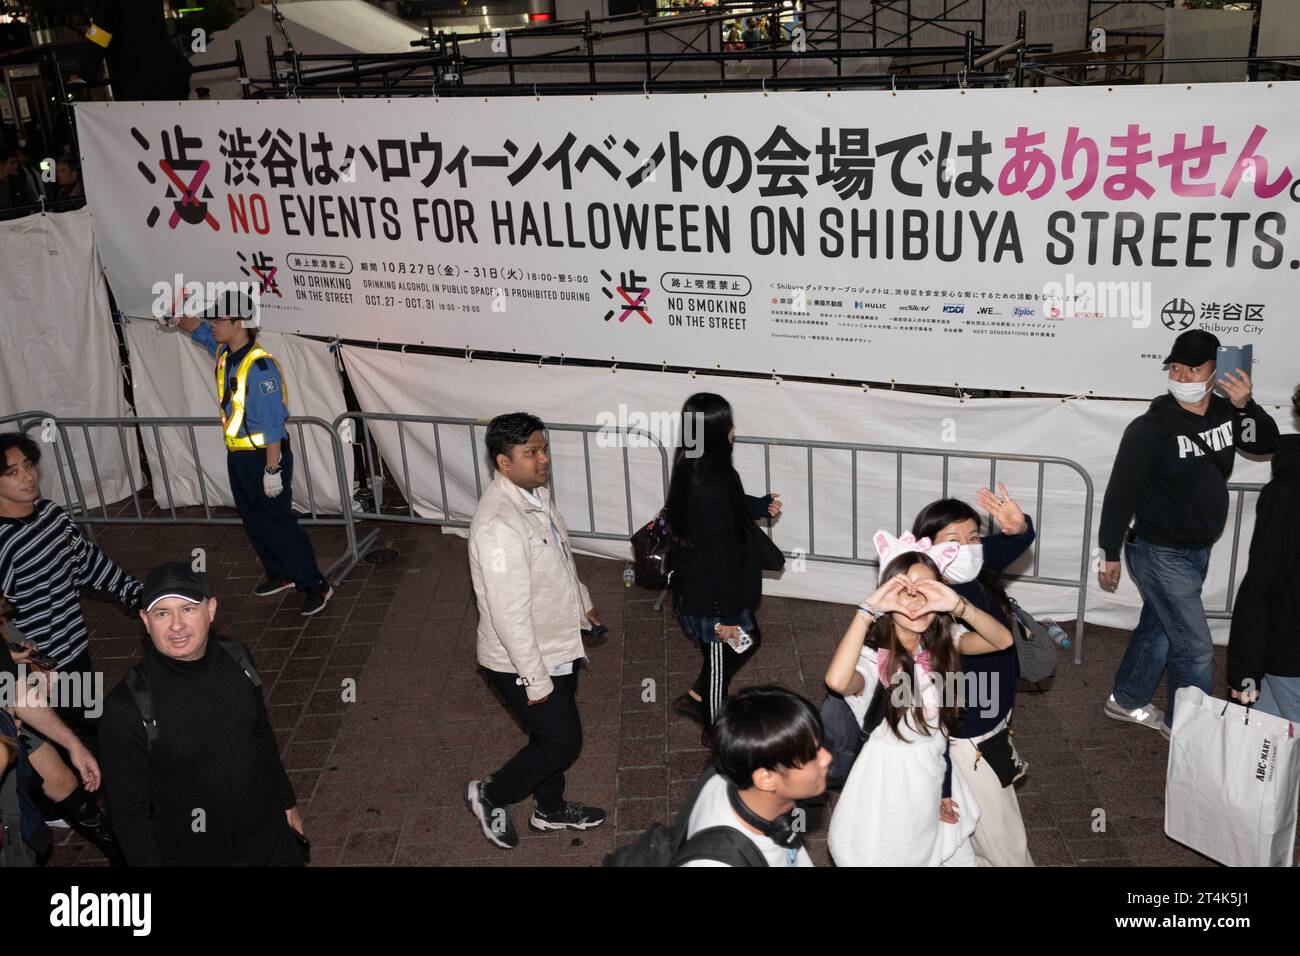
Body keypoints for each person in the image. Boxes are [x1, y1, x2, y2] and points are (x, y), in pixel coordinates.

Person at [1099, 329, 1279, 734]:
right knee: (1195, 647)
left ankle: (1126, 700)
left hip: (1197, 548)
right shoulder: (1149, 428)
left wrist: (1246, 405)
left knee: (1160, 630)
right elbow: (1121, 492)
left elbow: (1265, 444)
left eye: (1193, 369)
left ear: (1216, 371)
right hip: (1157, 550)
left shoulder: (1226, 412)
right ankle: (1188, 731)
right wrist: (1108, 551)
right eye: (1176, 368)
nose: (1182, 377)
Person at [99, 562, 305, 866]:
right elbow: (130, 818)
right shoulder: (125, 708)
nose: (176, 625)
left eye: (188, 609)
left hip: (273, 843)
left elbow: (261, 733)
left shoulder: (237, 657)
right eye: (162, 613)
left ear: (211, 610)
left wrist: (287, 802)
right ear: (146, 621)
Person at [826, 532, 1013, 866]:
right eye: (903, 591)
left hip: (934, 772)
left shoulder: (943, 642)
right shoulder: (873, 659)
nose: (915, 601)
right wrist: (867, 610)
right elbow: (837, 681)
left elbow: (1001, 641)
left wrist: (958, 605)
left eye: (926, 590)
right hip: (889, 788)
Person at [465, 412, 607, 849]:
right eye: (530, 452)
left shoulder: (535, 496)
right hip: (521, 659)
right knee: (563, 742)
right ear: (503, 462)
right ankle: (491, 794)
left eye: (543, 448)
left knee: (548, 736)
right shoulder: (498, 525)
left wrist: (583, 604)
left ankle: (550, 809)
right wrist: (534, 677)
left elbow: (561, 559)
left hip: (557, 642)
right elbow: (507, 612)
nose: (543, 459)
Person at [175, 296, 333, 616]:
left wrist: (272, 471)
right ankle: (281, 573)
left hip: (265, 457)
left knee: (279, 523)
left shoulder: (261, 368)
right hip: (239, 456)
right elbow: (197, 329)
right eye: (214, 319)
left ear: (240, 324)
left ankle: (315, 584)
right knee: (253, 519)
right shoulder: (225, 352)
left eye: (220, 320)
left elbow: (273, 425)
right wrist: (174, 316)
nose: (213, 325)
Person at [911, 488, 1036, 867]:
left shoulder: (969, 568)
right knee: (1005, 840)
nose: (966, 548)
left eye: (974, 537)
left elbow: (1013, 541)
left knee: (979, 831)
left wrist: (1019, 528)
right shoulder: (927, 609)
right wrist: (945, 783)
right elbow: (997, 640)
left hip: (991, 720)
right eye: (953, 540)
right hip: (970, 734)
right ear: (927, 548)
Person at [0, 432, 142, 740]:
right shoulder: (4, 543)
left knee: (96, 732)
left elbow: (92, 566)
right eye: (12, 472)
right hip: (38, 670)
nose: (27, 477)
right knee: (60, 744)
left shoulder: (53, 515)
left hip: (76, 649)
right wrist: (17, 661)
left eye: (28, 465)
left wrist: (141, 595)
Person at [665, 393, 782, 726]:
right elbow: (720, 559)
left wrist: (758, 505)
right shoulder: (710, 480)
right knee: (720, 661)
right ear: (715, 431)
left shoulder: (696, 466)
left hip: (706, 589)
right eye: (728, 423)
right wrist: (729, 616)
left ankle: (696, 697)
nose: (734, 429)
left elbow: (727, 502)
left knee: (748, 640)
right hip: (712, 600)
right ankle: (716, 733)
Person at [1, 596, 122, 864]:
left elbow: (17, 692)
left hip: (10, 719)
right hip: (5, 729)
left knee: (63, 782)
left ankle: (121, 853)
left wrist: (73, 745)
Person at [678, 686, 830, 867]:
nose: (827, 758)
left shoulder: (729, 772)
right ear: (766, 779)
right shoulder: (716, 863)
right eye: (812, 756)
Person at [1227, 382, 1300, 720]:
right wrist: (1245, 669)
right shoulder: (1288, 494)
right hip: (1290, 657)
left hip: (1285, 657)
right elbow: (1261, 584)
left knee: (1261, 741)